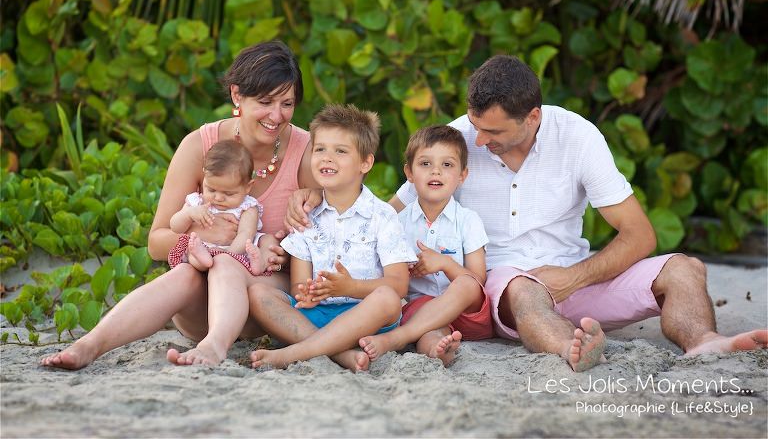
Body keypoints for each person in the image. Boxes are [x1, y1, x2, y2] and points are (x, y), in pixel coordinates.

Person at [286, 55, 768, 372]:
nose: (478, 140)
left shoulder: (577, 137)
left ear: (532, 117)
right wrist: (315, 195)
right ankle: (571, 350)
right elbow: (387, 210)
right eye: (475, 125)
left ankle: (704, 341)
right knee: (519, 286)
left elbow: (638, 236)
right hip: (499, 286)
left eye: (492, 131)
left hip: (575, 278)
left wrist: (573, 277)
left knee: (684, 267)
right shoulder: (455, 140)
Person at [41, 40, 316, 369]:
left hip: (269, 299)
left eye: (287, 103)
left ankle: (214, 347)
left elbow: (332, 235)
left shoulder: (307, 149)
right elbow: (156, 241)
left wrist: (282, 248)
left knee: (228, 266)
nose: (276, 115)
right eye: (265, 101)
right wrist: (202, 240)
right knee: (185, 275)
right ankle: (88, 346)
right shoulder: (200, 146)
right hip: (201, 304)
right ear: (236, 96)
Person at [247, 104, 415, 372]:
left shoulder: (382, 216)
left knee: (387, 299)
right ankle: (339, 353)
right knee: (258, 294)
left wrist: (348, 288)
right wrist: (308, 295)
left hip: (365, 315)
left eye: (340, 151)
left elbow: (399, 285)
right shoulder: (306, 216)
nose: (327, 158)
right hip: (317, 316)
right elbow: (299, 287)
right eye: (320, 149)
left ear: (365, 162)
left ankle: (299, 352)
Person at [359, 125, 492, 366]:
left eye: (447, 165)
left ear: (462, 175)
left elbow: (478, 280)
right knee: (429, 331)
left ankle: (396, 338)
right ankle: (438, 350)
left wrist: (445, 264)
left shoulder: (468, 220)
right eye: (425, 164)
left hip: (466, 312)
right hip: (423, 310)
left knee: (465, 283)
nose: (436, 172)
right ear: (409, 173)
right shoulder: (397, 223)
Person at [168, 139, 279, 276]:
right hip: (205, 249)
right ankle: (205, 261)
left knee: (269, 240)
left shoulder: (248, 207)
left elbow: (246, 234)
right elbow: (175, 226)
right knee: (192, 252)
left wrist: (229, 254)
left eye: (229, 193)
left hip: (239, 253)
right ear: (204, 177)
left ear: (247, 187)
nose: (218, 198)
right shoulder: (197, 202)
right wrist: (189, 214)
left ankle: (259, 263)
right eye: (211, 189)